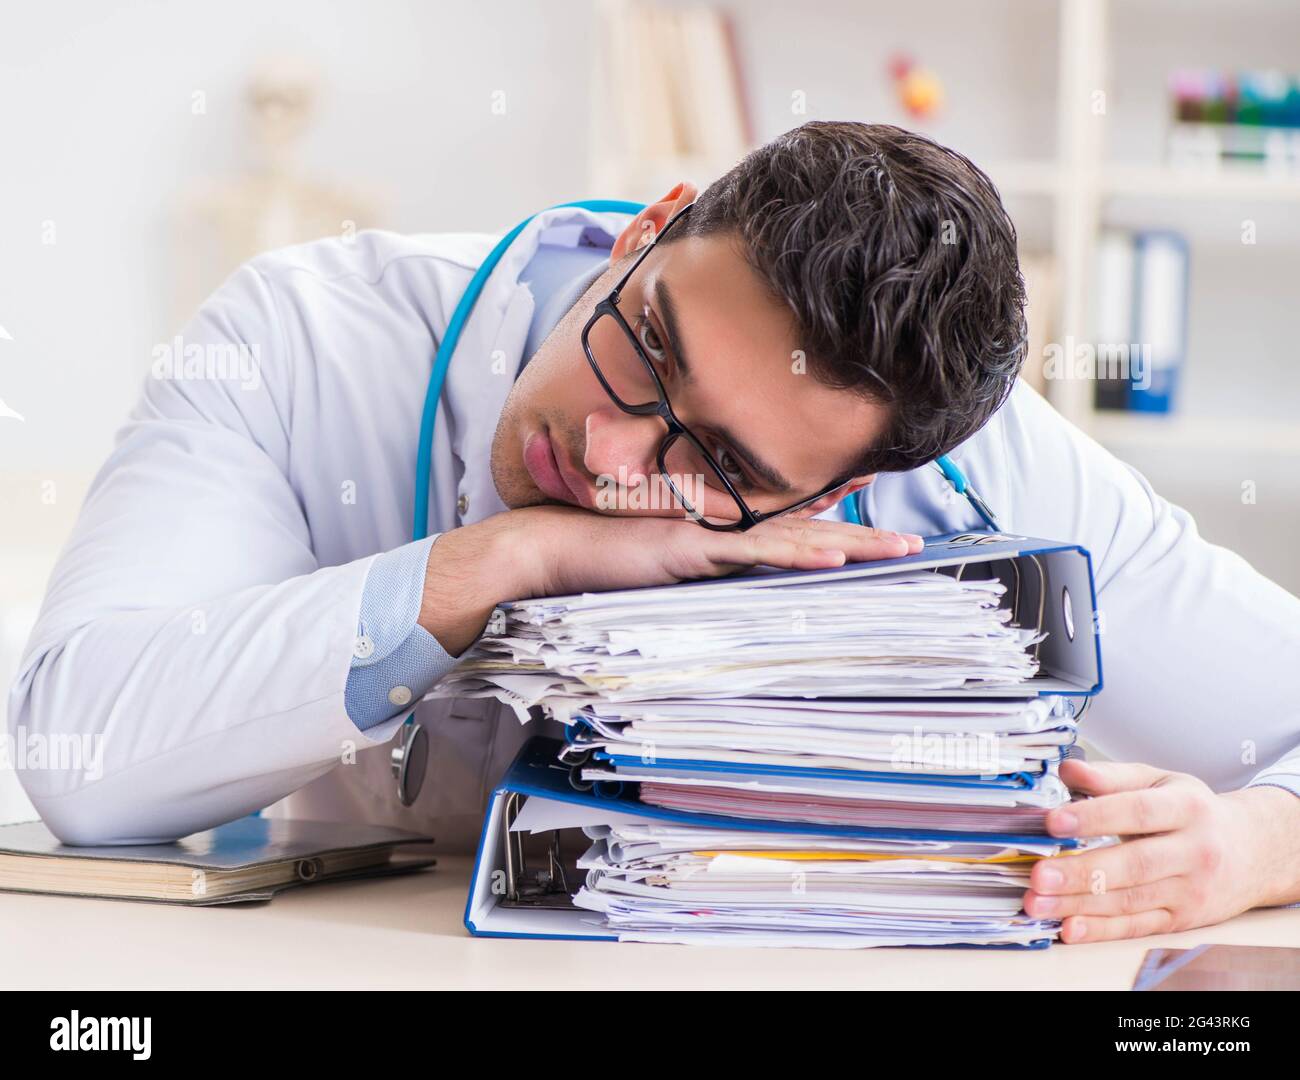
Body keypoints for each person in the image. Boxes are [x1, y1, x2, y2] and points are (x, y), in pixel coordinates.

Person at [10, 121, 1300, 944]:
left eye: (725, 464)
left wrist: (1252, 842)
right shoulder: (303, 341)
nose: (615, 455)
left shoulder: (983, 475)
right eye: (647, 345)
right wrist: (505, 560)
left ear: (837, 498)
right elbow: (85, 763)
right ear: (648, 230)